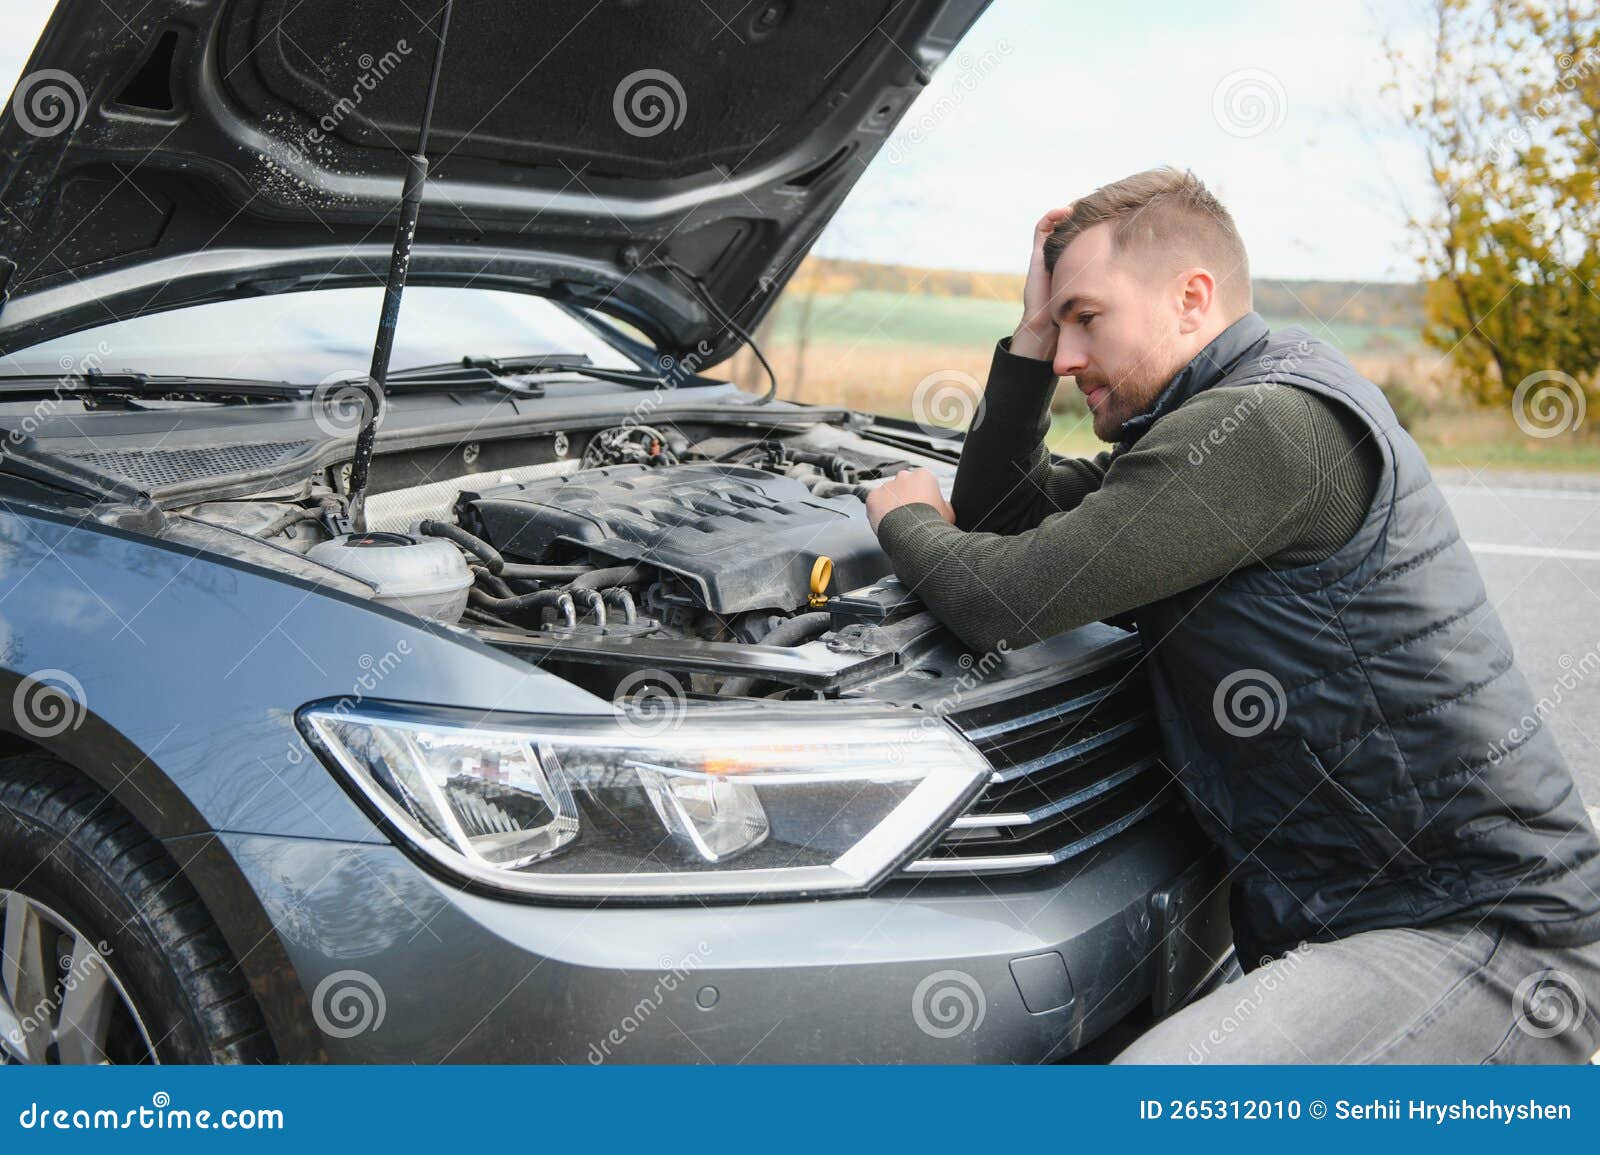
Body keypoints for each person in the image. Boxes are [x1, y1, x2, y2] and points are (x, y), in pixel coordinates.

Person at [864, 167, 1600, 1063]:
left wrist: (902, 516)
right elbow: (1008, 513)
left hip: (1486, 937)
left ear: (1191, 298)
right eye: (1057, 329)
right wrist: (1026, 332)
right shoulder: (1211, 420)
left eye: (1085, 318)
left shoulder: (1264, 429)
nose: (1065, 358)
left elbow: (1009, 595)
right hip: (1366, 914)